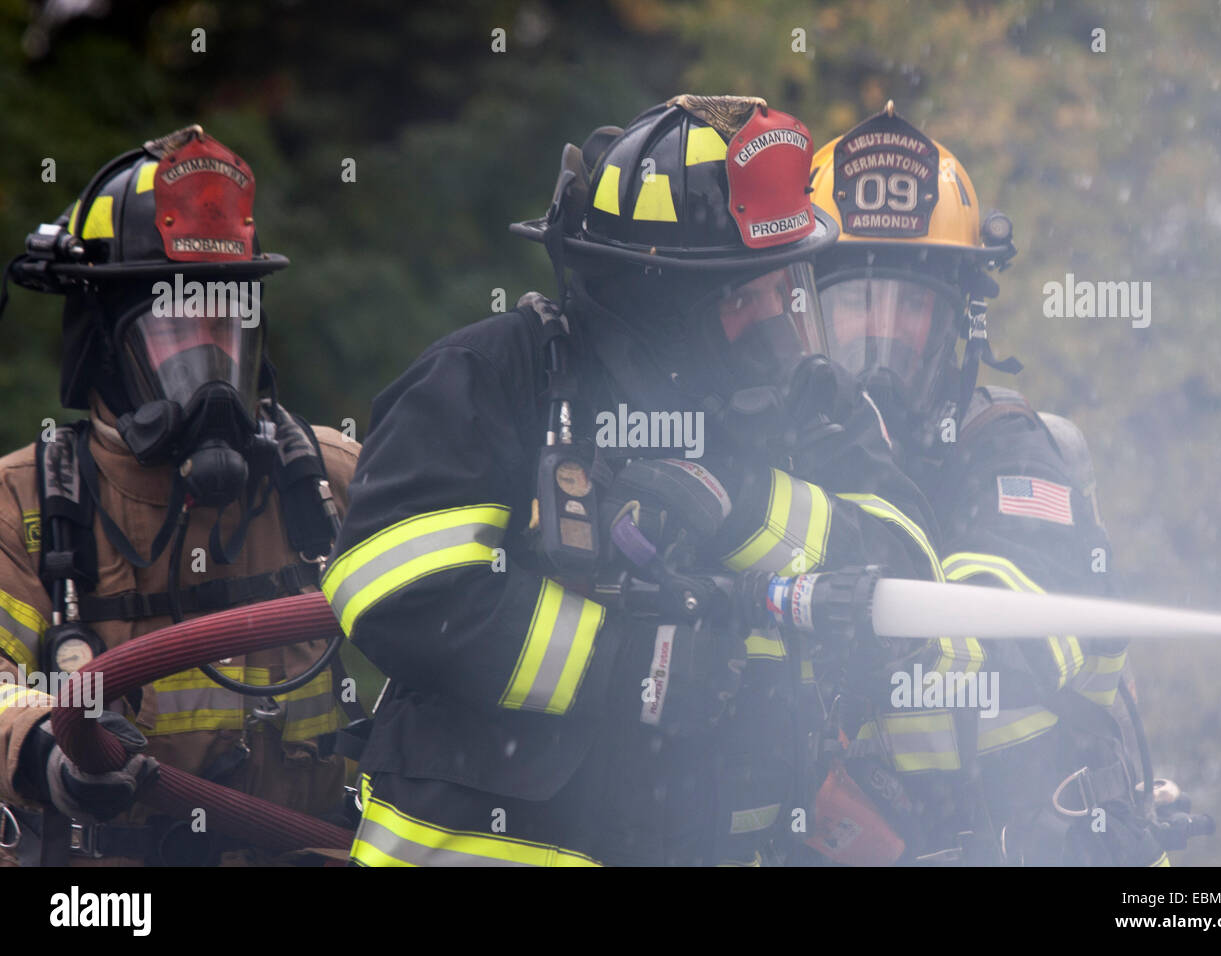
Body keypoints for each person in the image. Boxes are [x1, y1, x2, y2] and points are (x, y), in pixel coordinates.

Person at [325, 94, 947, 866]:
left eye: (788, 289)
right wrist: (633, 666)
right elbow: (392, 585)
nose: (777, 323)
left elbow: (912, 580)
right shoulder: (498, 378)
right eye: (743, 296)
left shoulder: (810, 405)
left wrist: (744, 507)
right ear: (661, 305)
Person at [806, 101, 1200, 865]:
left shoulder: (1014, 454)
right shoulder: (785, 466)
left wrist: (834, 623)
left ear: (962, 334)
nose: (879, 357)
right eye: (850, 314)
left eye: (910, 316)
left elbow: (1011, 632)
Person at [0, 125, 362, 866]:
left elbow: (454, 623)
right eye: (176, 341)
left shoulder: (326, 480)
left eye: (227, 335)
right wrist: (48, 747)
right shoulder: (25, 506)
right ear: (101, 347)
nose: (211, 388)